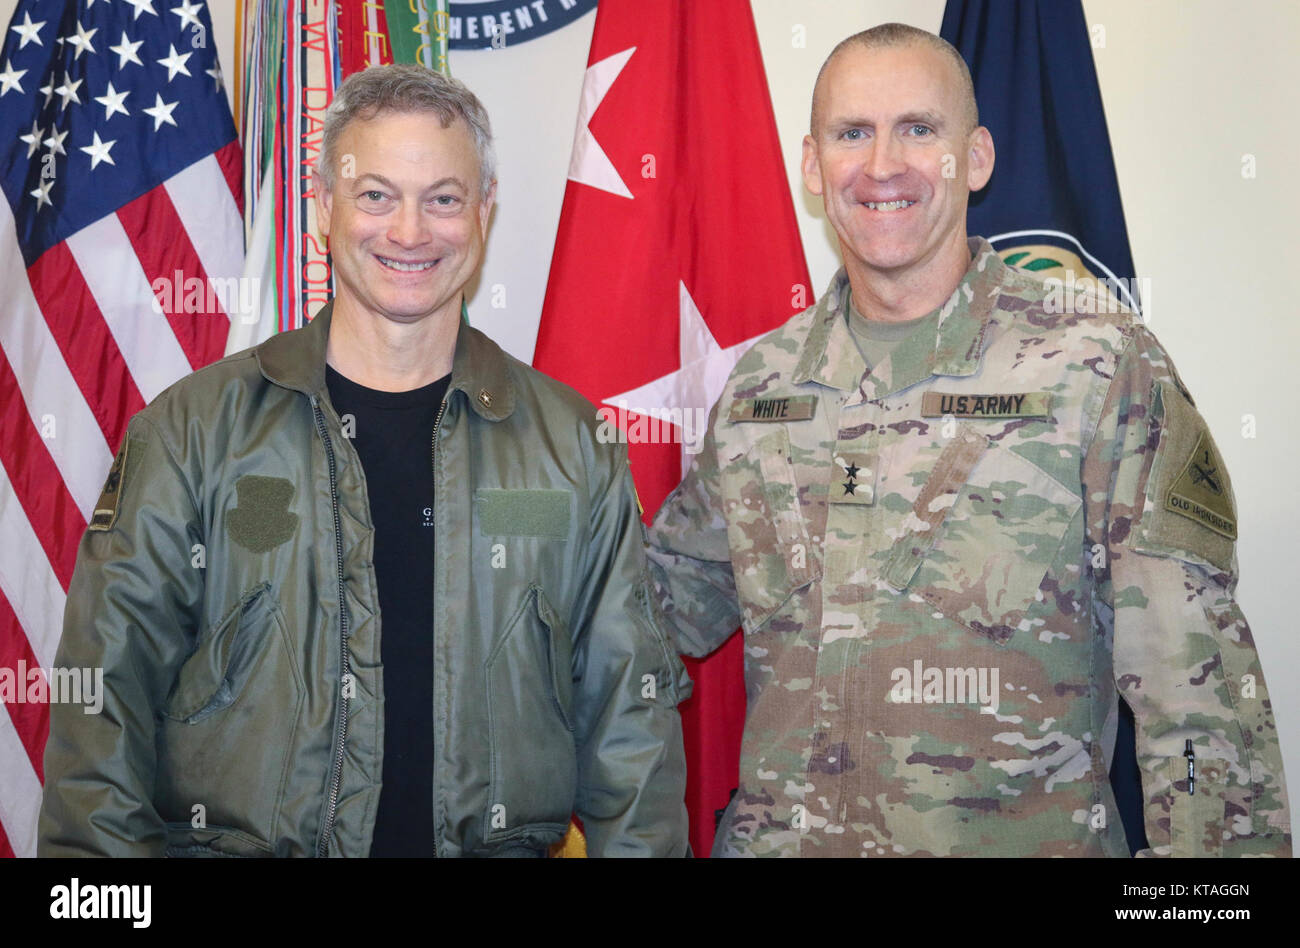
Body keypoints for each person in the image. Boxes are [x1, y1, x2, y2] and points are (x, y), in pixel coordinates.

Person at [646, 23, 1290, 857]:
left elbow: (1196, 699)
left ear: (976, 156)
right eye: (853, 133)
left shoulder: (1095, 366)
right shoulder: (763, 389)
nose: (884, 164)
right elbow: (653, 614)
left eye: (919, 129)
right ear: (812, 166)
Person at [39, 64, 691, 858]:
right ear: (324, 208)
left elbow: (632, 725)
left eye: (443, 198)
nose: (409, 231)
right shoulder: (193, 433)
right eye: (376, 194)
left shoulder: (568, 445)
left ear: (483, 213)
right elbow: (102, 715)